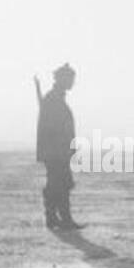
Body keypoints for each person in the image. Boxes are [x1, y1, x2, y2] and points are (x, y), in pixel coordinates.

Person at [37, 63, 82, 231]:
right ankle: (58, 218)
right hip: (55, 151)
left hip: (59, 150)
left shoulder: (56, 98)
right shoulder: (52, 99)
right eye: (70, 78)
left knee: (61, 183)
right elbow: (51, 129)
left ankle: (57, 218)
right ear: (62, 79)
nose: (72, 82)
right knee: (58, 184)